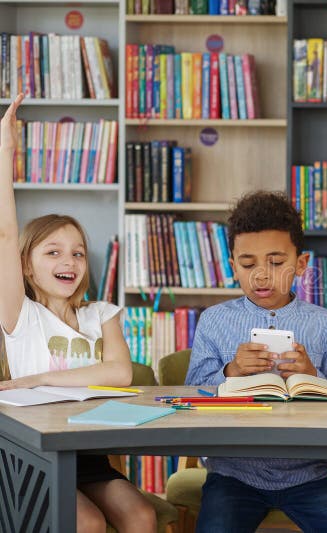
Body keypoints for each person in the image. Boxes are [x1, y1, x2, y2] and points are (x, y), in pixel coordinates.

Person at [0, 94, 157, 533]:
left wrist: (40, 379)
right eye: (53, 252)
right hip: (34, 452)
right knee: (86, 523)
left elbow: (121, 372)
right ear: (26, 265)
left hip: (89, 454)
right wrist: (5, 152)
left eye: (78, 253)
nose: (68, 261)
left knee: (141, 514)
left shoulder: (100, 313)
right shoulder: (20, 316)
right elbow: (4, 232)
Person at [184, 190, 327, 533]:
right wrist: (231, 371)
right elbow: (190, 394)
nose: (261, 276)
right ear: (232, 266)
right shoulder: (214, 320)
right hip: (233, 475)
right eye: (248, 264)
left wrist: (315, 377)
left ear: (301, 263)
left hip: (310, 475)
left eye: (276, 261)